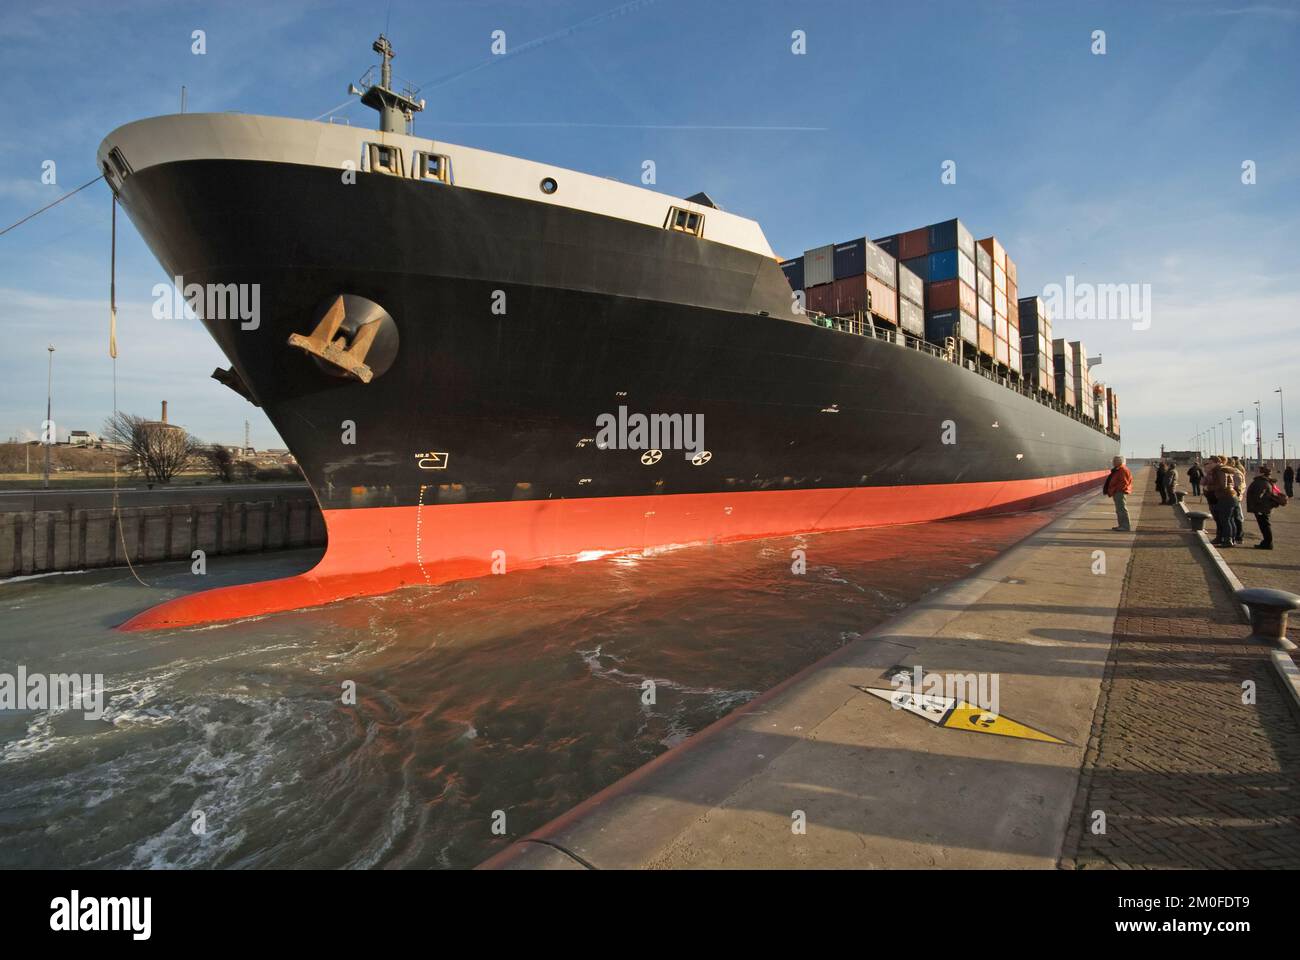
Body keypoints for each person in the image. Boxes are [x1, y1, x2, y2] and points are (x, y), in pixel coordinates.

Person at [1246, 465, 1288, 550]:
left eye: (1257, 471)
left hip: (1261, 508)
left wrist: (1255, 504)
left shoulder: (1261, 482)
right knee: (1265, 525)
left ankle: (1267, 543)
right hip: (1264, 507)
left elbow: (1260, 496)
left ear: (1261, 473)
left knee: (1265, 526)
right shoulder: (1266, 481)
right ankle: (1267, 542)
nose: (1255, 472)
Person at [1103, 455, 1133, 531]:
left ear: (1119, 461)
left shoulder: (1122, 470)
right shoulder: (1119, 469)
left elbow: (1124, 483)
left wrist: (1115, 490)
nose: (1113, 462)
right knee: (1119, 509)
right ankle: (1121, 525)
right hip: (1118, 492)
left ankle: (1125, 526)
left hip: (1119, 492)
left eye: (1114, 461)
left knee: (1122, 509)